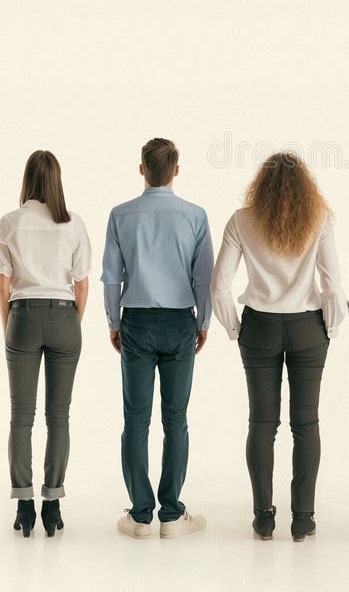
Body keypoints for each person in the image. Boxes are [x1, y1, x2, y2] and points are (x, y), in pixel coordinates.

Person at [211, 151, 346, 542]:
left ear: (261, 185)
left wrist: (235, 328)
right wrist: (332, 326)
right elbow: (333, 283)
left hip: (259, 328)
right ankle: (303, 519)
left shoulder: (242, 220)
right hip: (308, 329)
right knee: (307, 425)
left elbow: (220, 285)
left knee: (262, 423)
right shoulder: (318, 218)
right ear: (305, 186)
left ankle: (263, 517)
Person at [102, 137, 214, 539]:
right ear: (176, 171)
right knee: (176, 419)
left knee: (135, 420)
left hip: (136, 322)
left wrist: (114, 322)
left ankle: (139, 514)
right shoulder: (195, 216)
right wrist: (204, 323)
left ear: (141, 169)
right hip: (181, 322)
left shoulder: (121, 215)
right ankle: (170, 513)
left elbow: (112, 277)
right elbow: (204, 278)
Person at [0, 150, 91, 537]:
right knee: (59, 416)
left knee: (21, 415)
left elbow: (3, 285)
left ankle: (24, 503)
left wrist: (10, 329)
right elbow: (82, 284)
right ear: (56, 180)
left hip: (21, 317)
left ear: (27, 179)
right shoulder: (73, 224)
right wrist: (70, 323)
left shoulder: (9, 223)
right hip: (65, 316)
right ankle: (53, 504)